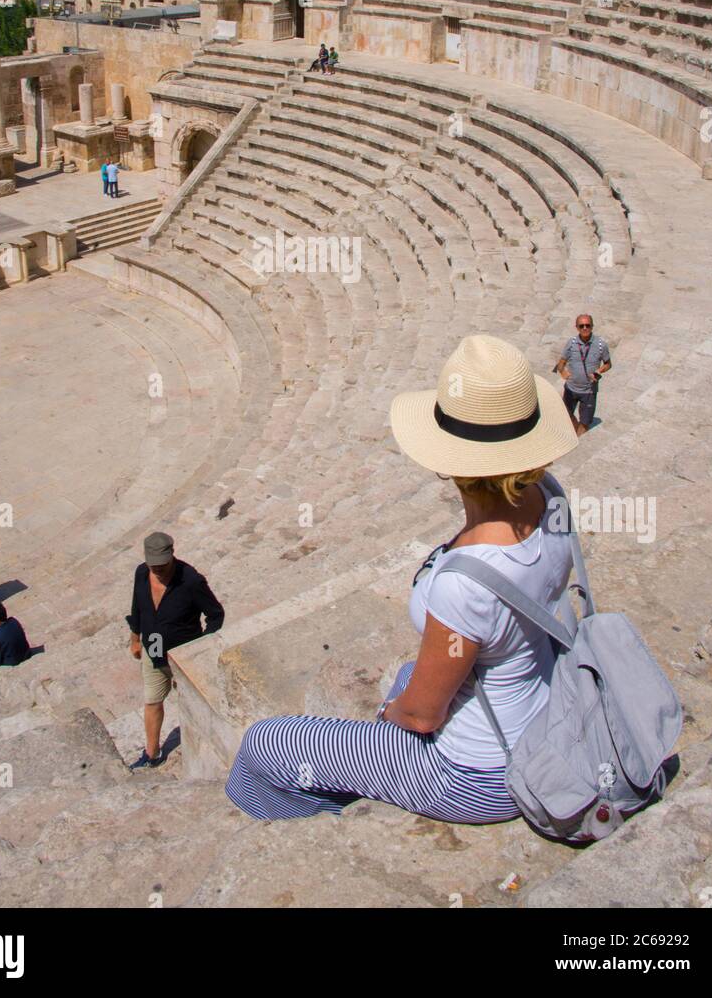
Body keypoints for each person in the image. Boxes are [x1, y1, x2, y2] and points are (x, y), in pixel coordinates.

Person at [225, 334, 580, 824]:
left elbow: (421, 716)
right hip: (540, 713)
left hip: (478, 774)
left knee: (265, 744)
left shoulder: (466, 583)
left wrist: (388, 718)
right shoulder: (551, 496)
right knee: (406, 675)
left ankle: (312, 833)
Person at [126, 530, 225, 770]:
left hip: (183, 651)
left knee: (193, 699)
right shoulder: (142, 572)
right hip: (154, 646)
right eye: (153, 565)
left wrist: (199, 648)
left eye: (161, 565)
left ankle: (205, 744)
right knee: (152, 700)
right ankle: (151, 753)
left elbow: (215, 615)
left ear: (172, 555)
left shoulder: (191, 581)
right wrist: (135, 637)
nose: (157, 570)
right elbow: (138, 605)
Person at [555, 314, 612, 436]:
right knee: (566, 415)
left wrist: (599, 371)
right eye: (581, 326)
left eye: (588, 325)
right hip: (571, 389)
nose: (585, 328)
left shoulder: (601, 345)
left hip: (589, 391)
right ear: (576, 327)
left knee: (585, 422)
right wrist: (562, 371)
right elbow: (561, 362)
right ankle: (576, 432)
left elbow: (608, 364)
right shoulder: (571, 343)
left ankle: (579, 438)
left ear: (592, 326)